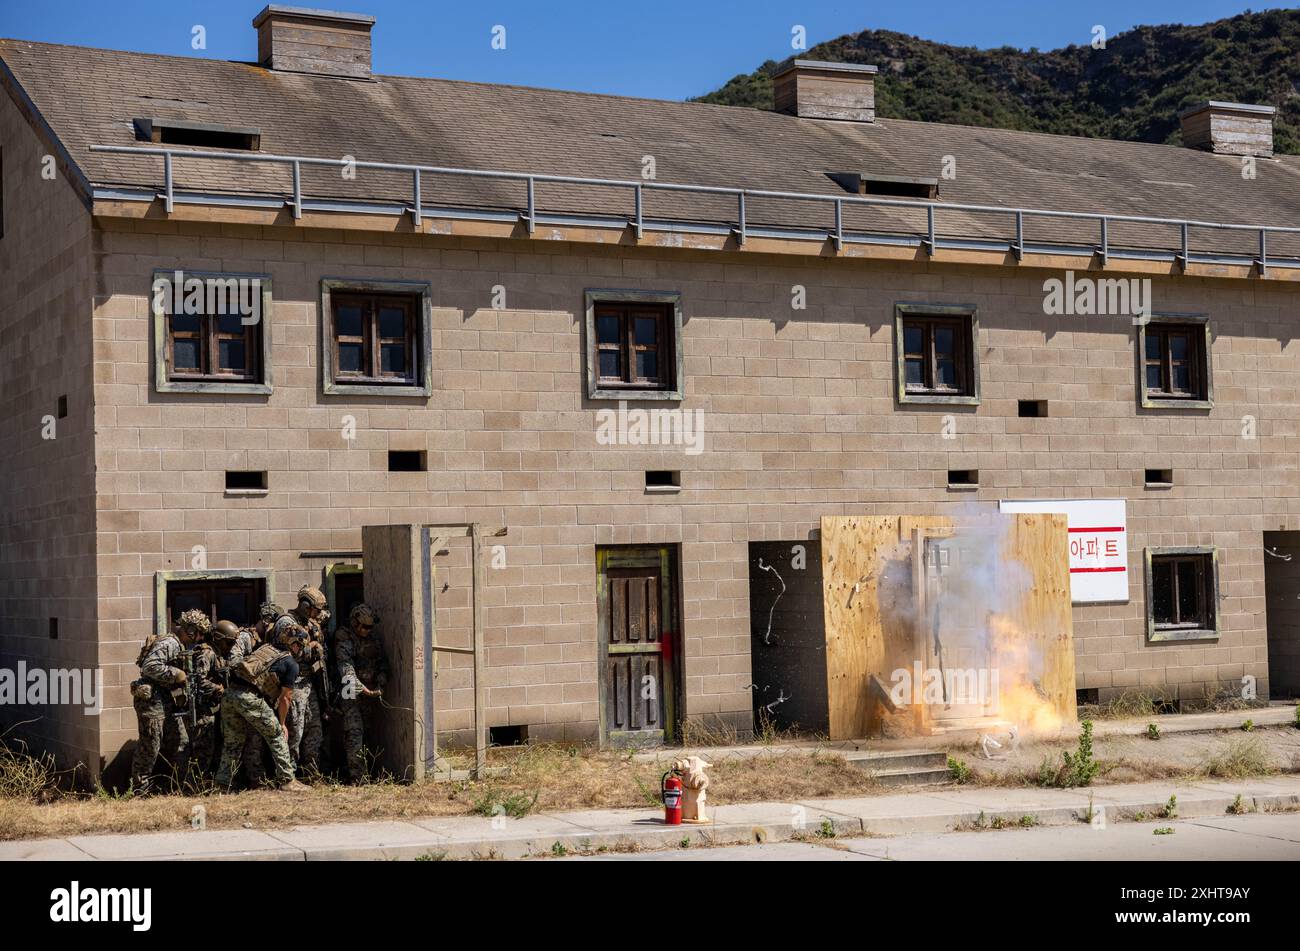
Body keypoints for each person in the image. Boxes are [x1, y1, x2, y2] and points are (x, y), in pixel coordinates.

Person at [213, 621, 310, 793]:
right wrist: (281, 724)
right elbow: (285, 698)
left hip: (230, 694)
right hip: (249, 697)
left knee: (232, 742)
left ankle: (222, 784)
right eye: (299, 645)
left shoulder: (265, 649)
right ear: (293, 643)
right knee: (276, 735)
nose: (300, 650)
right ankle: (288, 780)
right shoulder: (290, 664)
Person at [130, 609, 210, 793]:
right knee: (150, 748)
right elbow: (150, 667)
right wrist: (176, 674)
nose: (199, 639)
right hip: (152, 703)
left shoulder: (179, 645)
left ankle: (185, 788)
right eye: (199, 634)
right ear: (191, 630)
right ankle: (140, 791)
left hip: (166, 701)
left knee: (181, 742)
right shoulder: (170, 643)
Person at [273, 586, 328, 775]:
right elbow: (287, 655)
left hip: (309, 683)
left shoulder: (309, 624)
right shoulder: (286, 623)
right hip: (293, 685)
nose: (318, 614)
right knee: (294, 732)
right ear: (306, 606)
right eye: (316, 610)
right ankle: (289, 774)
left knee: (314, 730)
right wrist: (312, 647)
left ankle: (312, 772)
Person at [335, 602, 389, 783]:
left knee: (365, 732)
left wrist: (381, 680)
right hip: (350, 690)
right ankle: (358, 778)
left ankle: (357, 770)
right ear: (355, 623)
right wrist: (363, 689)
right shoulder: (344, 639)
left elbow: (382, 662)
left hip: (369, 692)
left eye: (370, 627)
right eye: (365, 627)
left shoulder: (372, 639)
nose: (368, 630)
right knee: (354, 731)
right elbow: (345, 669)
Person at [230, 602, 282, 787]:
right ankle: (252, 779)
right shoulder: (245, 637)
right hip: (242, 694)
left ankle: (256, 777)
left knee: (256, 738)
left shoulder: (266, 641)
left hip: (259, 695)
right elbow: (233, 661)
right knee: (246, 739)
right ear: (266, 621)